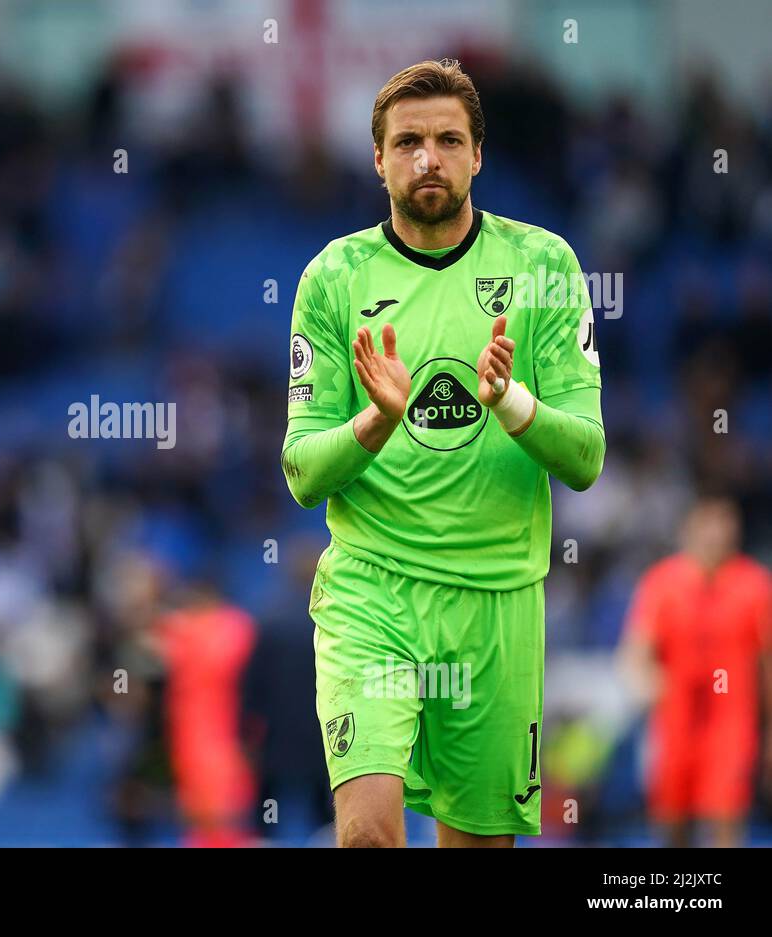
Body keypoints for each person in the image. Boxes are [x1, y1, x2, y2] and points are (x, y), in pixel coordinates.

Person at [281, 59, 605, 846]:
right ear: (380, 159)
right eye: (410, 141)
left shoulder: (544, 266)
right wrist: (376, 423)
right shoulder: (335, 276)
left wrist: (510, 402)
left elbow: (586, 456)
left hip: (496, 602)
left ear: (478, 156)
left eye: (449, 140)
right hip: (374, 594)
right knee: (366, 833)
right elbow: (301, 472)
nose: (430, 158)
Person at [618, 495, 772, 847]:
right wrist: (644, 679)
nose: (718, 532)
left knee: (725, 820)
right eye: (709, 522)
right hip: (675, 724)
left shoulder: (755, 585)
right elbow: (635, 651)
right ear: (689, 528)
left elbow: (767, 665)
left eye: (725, 522)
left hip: (730, 726)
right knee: (672, 825)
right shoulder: (662, 583)